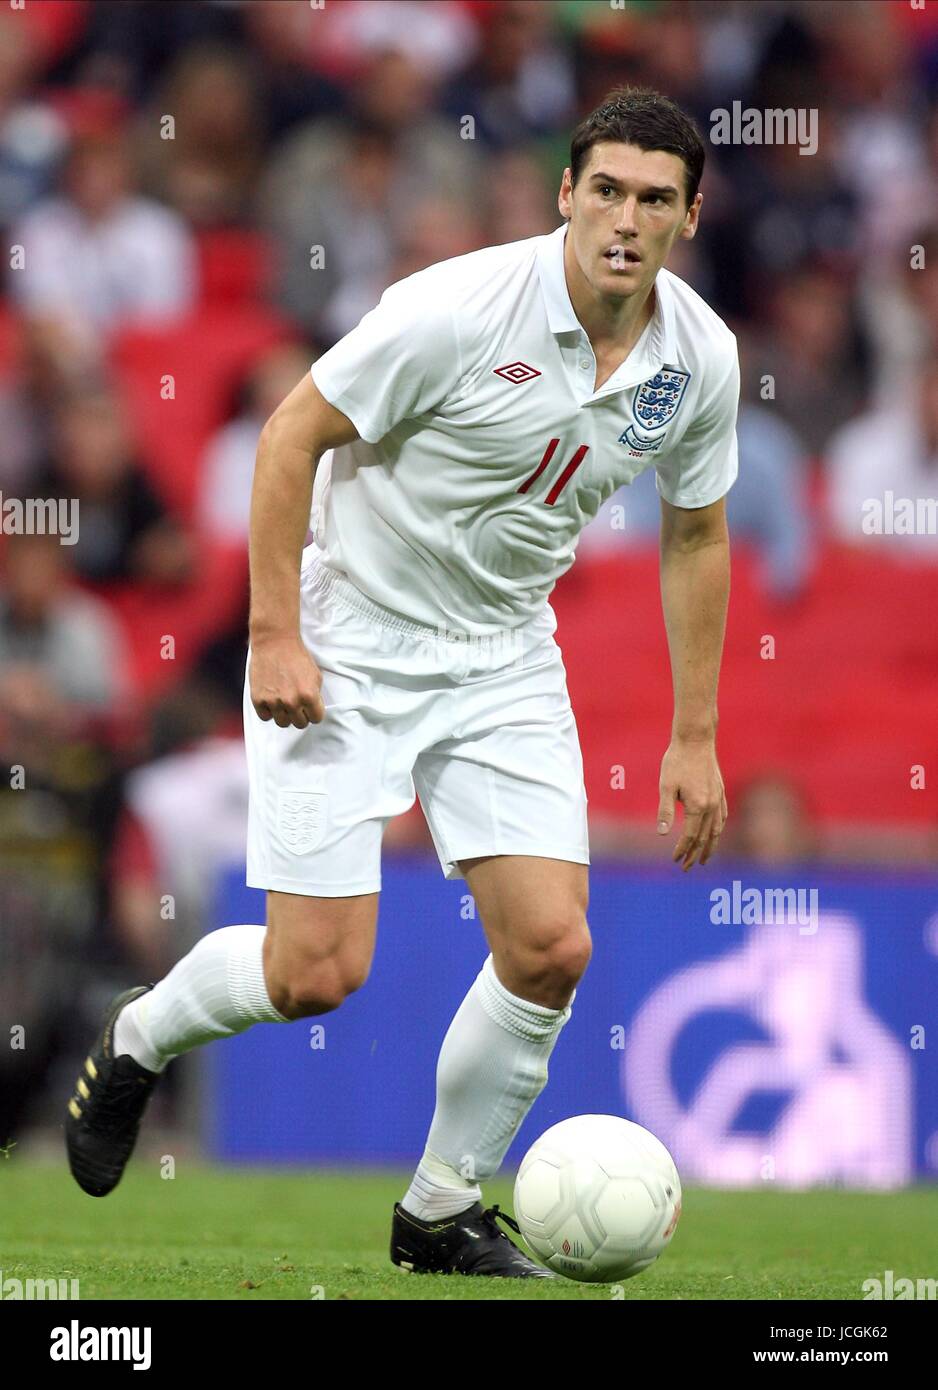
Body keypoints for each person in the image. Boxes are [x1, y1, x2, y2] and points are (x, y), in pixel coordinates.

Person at [66, 87, 739, 1279]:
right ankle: (139, 1034)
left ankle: (438, 1211)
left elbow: (694, 532)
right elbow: (289, 435)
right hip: (353, 637)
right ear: (563, 195)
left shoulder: (697, 357)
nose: (624, 219)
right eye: (605, 190)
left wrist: (694, 733)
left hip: (504, 650)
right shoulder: (455, 308)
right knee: (313, 972)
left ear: (688, 215)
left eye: (653, 198)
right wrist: (276, 633)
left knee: (551, 947)